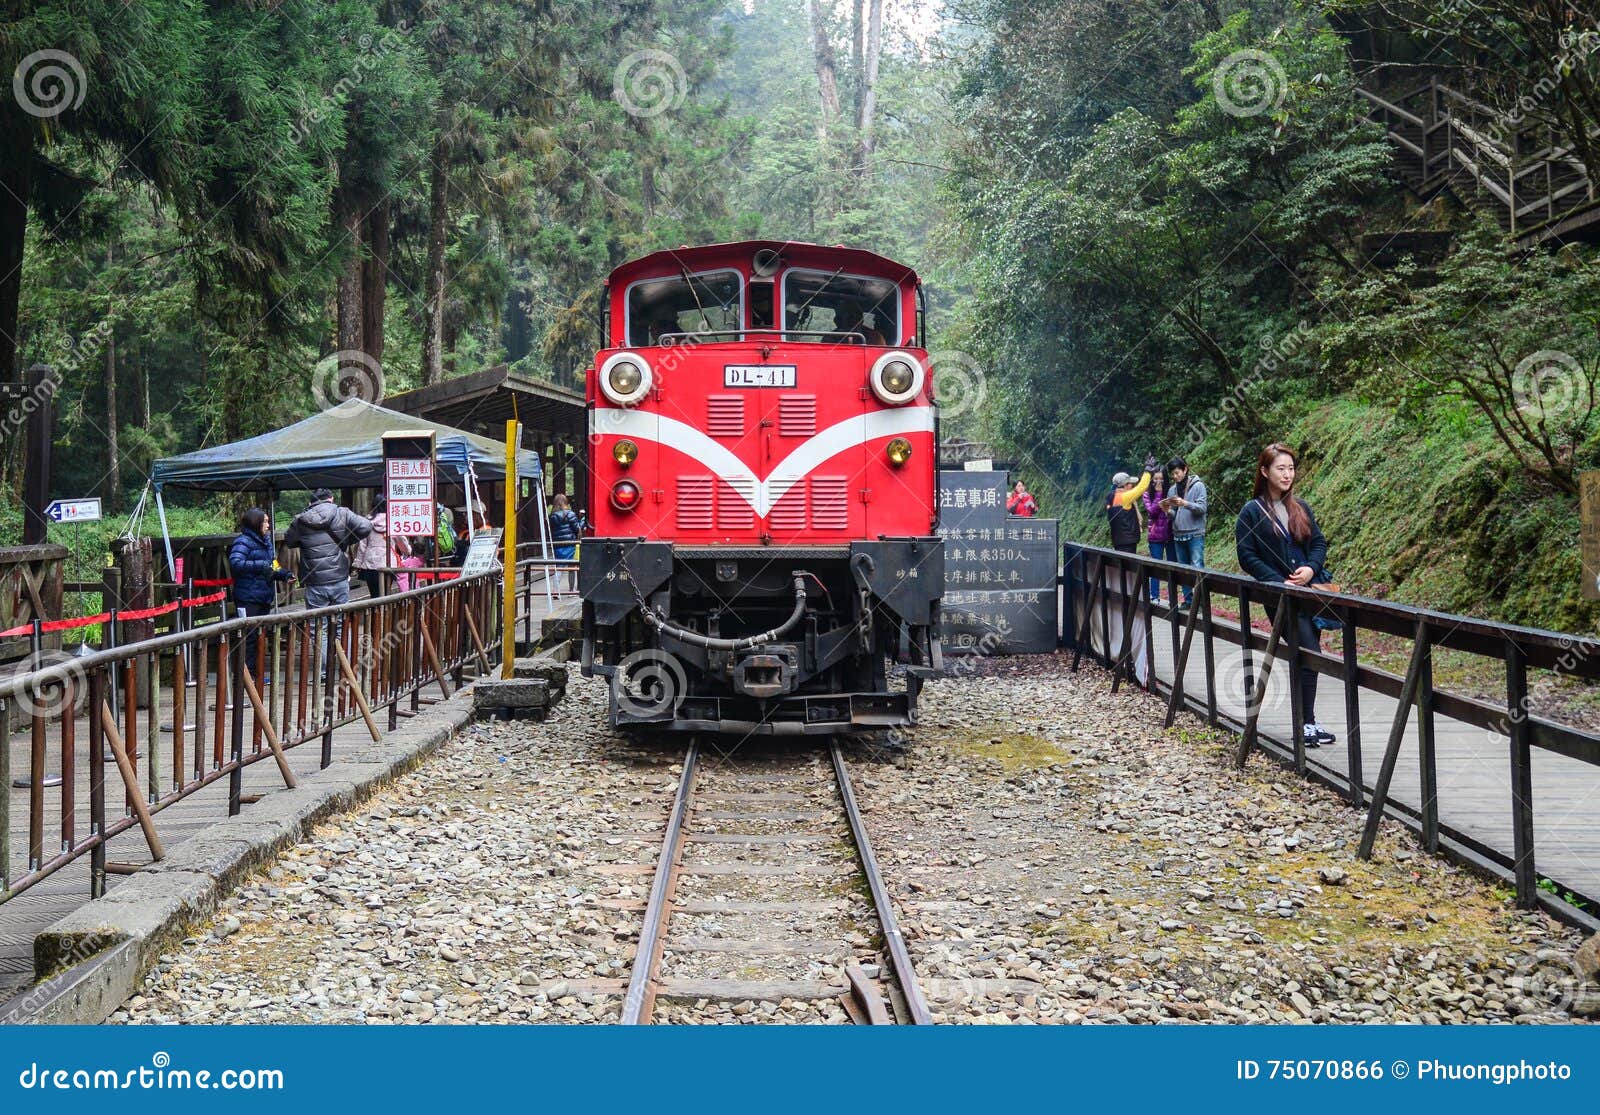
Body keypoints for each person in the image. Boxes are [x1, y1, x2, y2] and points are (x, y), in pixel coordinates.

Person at [1235, 442, 1335, 749]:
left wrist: (1309, 568)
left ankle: (1308, 722)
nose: (1288, 474)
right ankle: (1304, 723)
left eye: (1291, 468)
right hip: (1280, 597)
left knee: (1310, 653)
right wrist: (1278, 582)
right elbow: (1247, 555)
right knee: (1308, 652)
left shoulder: (1300, 507)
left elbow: (1318, 543)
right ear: (1265, 472)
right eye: (1281, 468)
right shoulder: (1251, 512)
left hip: (1308, 593)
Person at [228, 508, 291, 683]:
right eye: (265, 521)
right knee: (248, 638)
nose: (268, 525)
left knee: (258, 637)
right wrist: (260, 564)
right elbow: (235, 563)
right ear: (256, 523)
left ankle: (255, 673)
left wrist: (284, 574)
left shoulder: (265, 541)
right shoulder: (243, 541)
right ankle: (244, 676)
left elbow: (272, 564)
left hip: (263, 596)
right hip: (248, 597)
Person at [1163, 456, 1208, 609]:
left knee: (1197, 568)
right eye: (1173, 474)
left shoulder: (1198, 486)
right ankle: (1189, 601)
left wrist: (1185, 503)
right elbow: (1175, 514)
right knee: (1183, 569)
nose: (1175, 477)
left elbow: (1202, 509)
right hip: (1178, 534)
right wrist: (1168, 511)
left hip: (1195, 533)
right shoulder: (1172, 490)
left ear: (1185, 469)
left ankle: (1201, 603)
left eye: (1177, 473)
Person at [352, 498, 410, 598]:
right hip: (388, 563)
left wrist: (358, 563)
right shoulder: (393, 522)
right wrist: (407, 550)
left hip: (371, 563)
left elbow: (362, 545)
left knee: (374, 595)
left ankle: (376, 612)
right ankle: (385, 612)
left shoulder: (367, 522)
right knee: (386, 594)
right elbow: (402, 542)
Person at [1105, 456, 1154, 553]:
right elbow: (1141, 487)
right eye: (1130, 483)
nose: (1132, 485)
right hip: (1127, 541)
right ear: (1124, 485)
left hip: (1119, 540)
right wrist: (1148, 470)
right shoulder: (1123, 497)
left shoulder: (1112, 496)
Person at [1142, 469, 1172, 603]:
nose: (1158, 481)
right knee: (1156, 567)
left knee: (1173, 567)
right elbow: (1151, 512)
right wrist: (1159, 494)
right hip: (1155, 535)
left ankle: (1174, 598)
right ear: (1151, 480)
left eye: (1161, 479)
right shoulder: (1147, 494)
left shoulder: (1170, 492)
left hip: (1170, 533)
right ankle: (1154, 596)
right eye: (1155, 479)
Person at [548, 493, 583, 562]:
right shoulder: (570, 514)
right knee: (571, 564)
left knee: (559, 564)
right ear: (566, 502)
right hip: (569, 544)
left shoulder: (552, 516)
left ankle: (558, 572)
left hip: (557, 545)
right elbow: (577, 529)